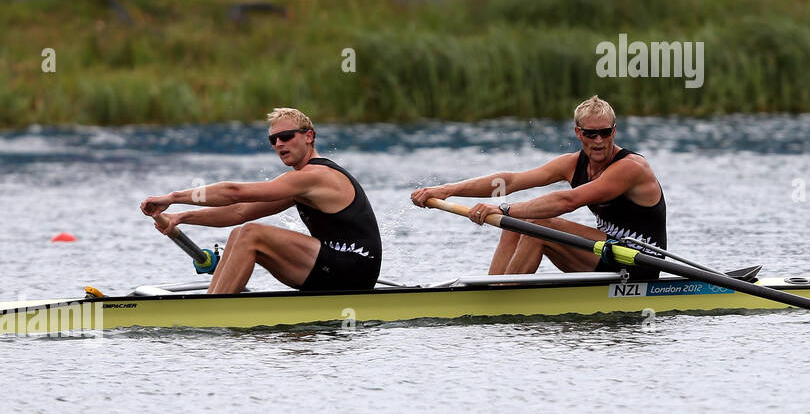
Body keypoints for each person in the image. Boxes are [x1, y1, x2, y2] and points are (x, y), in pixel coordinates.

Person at [411, 95, 666, 279]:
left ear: (614, 131)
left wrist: (502, 210)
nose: (599, 141)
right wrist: (447, 190)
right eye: (591, 134)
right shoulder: (572, 164)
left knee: (538, 223)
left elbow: (568, 202)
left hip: (638, 261)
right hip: (606, 254)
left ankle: (503, 300)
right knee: (517, 223)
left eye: (605, 133)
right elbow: (509, 181)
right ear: (578, 133)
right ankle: (492, 289)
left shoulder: (631, 168)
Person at [140, 108, 382, 294]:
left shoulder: (316, 176)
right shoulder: (301, 183)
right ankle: (212, 301)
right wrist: (181, 217)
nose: (279, 144)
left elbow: (234, 192)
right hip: (336, 268)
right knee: (239, 233)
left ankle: (210, 310)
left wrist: (174, 197)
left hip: (354, 270)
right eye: (273, 140)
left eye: (286, 136)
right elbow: (239, 211)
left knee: (251, 235)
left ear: (309, 137)